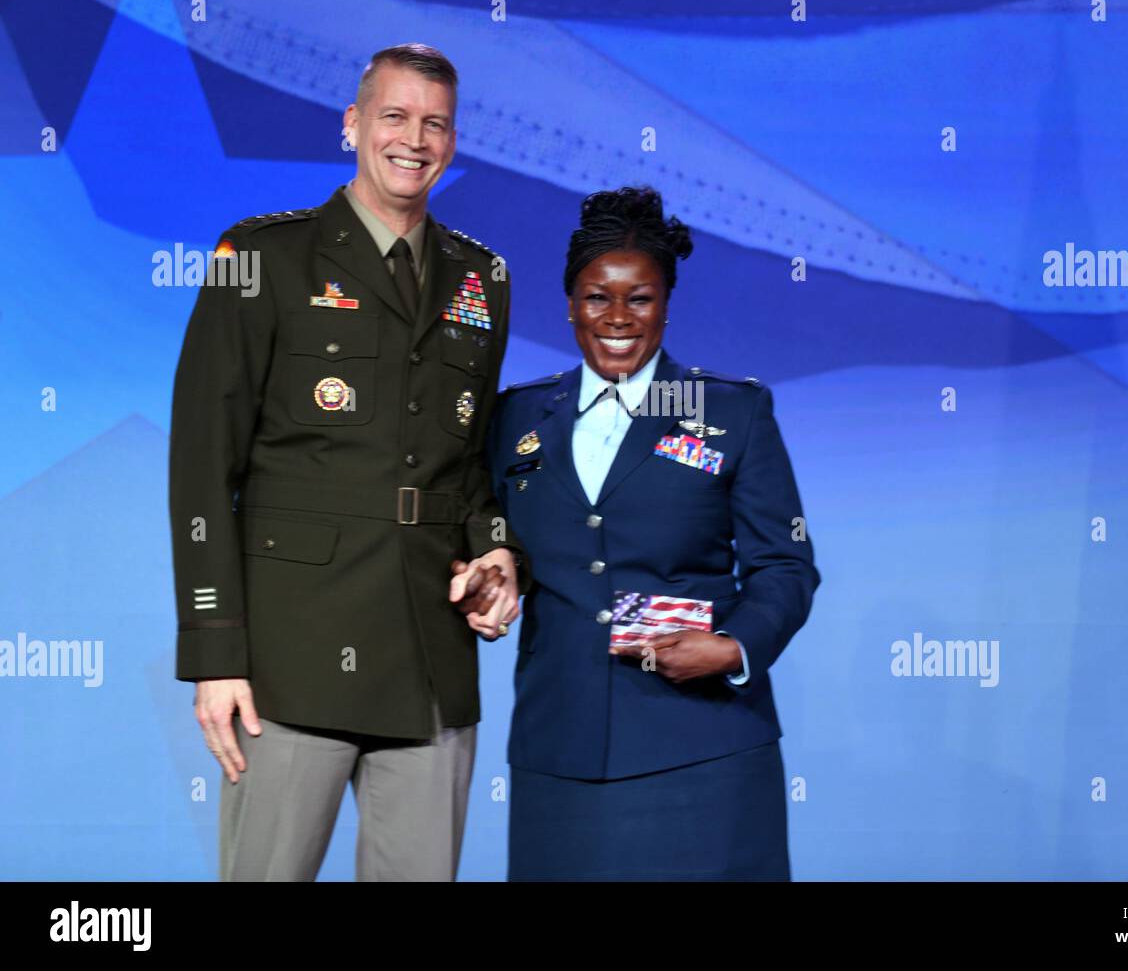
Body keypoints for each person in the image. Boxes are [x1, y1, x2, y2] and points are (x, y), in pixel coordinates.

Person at [167, 43, 528, 882]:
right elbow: (199, 466)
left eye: (434, 123)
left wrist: (496, 548)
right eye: (394, 116)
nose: (414, 138)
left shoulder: (484, 276)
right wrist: (215, 652)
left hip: (430, 657)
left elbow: (468, 457)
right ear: (353, 125)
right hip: (290, 657)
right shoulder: (263, 257)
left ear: (453, 139)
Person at [460, 185, 819, 880]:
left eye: (641, 298)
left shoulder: (732, 412)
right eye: (598, 297)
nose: (618, 317)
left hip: (704, 745)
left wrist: (733, 647)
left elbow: (787, 567)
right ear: (570, 303)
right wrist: (486, 573)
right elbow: (485, 530)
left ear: (665, 305)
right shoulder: (513, 418)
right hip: (559, 750)